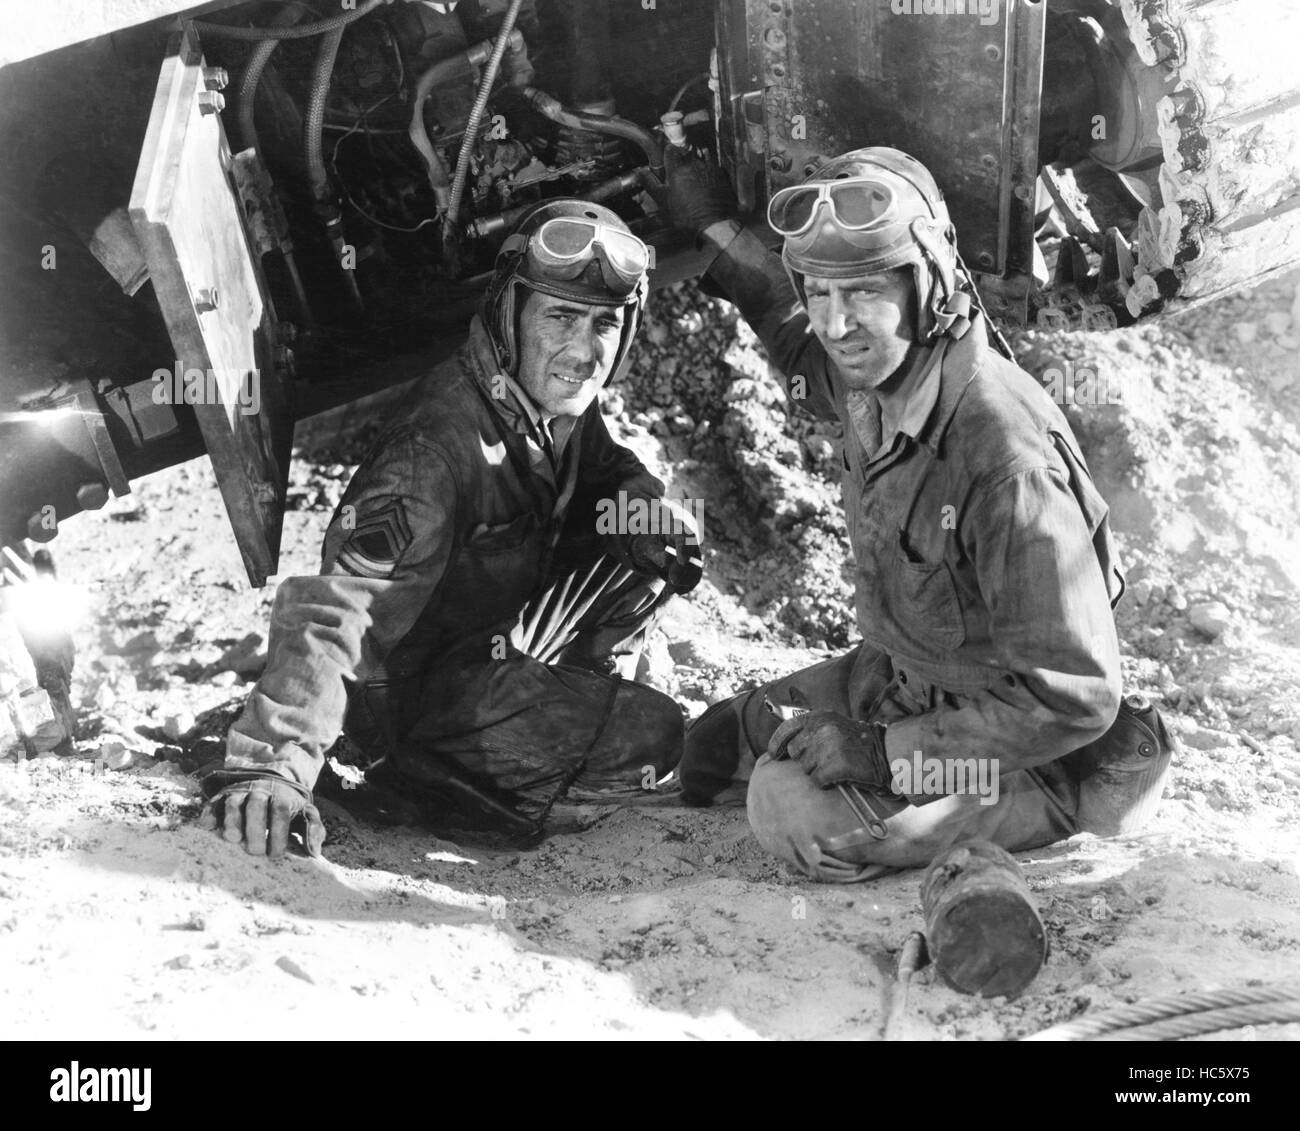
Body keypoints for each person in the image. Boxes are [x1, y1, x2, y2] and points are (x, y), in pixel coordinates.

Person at [666, 144, 1174, 882]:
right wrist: (714, 229)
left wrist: (882, 755)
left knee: (791, 805)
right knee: (716, 743)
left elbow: (1075, 695)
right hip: (902, 678)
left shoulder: (1002, 457)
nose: (837, 325)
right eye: (822, 293)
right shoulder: (882, 367)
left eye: (864, 292)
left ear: (926, 284)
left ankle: (1073, 802)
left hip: (1017, 740)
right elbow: (792, 332)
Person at [200, 199, 702, 856]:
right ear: (508, 317)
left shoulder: (549, 395)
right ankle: (429, 772)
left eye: (605, 323)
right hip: (411, 692)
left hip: (485, 640)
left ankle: (563, 693)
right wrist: (274, 762)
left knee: (646, 537)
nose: (584, 351)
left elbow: (606, 465)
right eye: (559, 317)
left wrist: (647, 503)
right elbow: (341, 608)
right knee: (654, 730)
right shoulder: (433, 451)